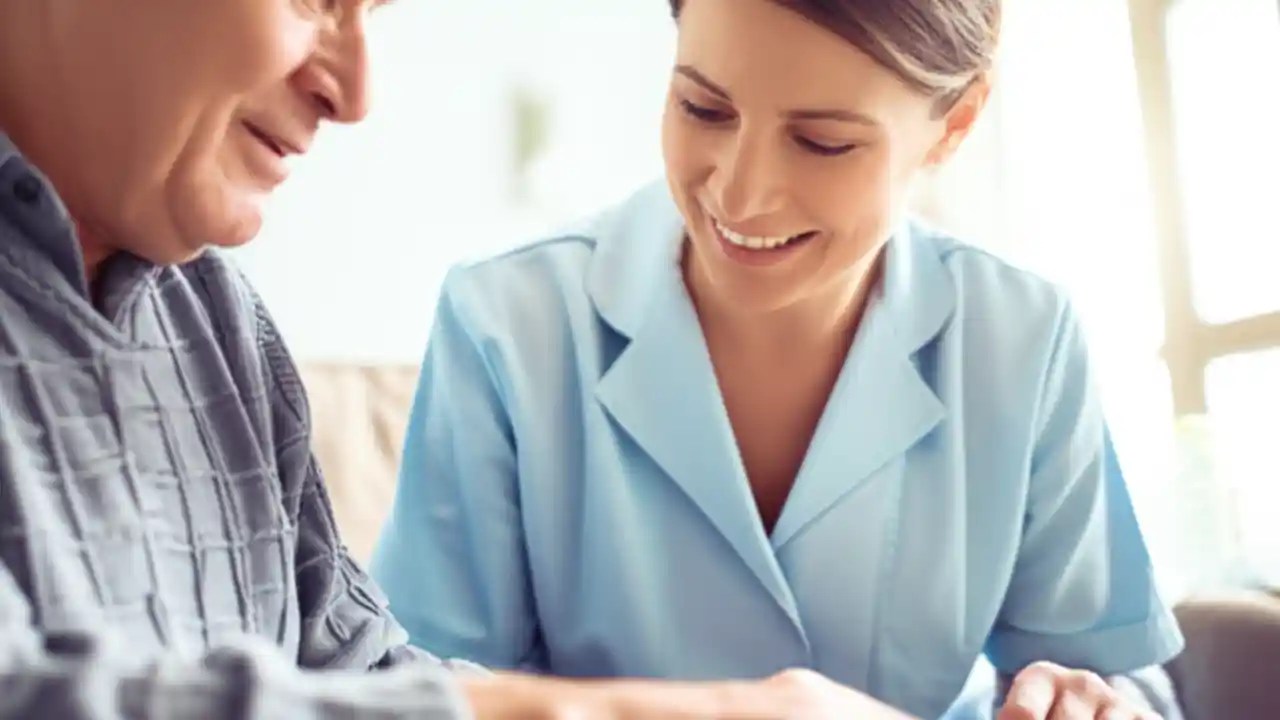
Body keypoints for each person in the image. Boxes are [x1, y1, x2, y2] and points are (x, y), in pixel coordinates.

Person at [0, 1, 915, 717]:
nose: (355, 93)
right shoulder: (508, 312)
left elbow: (363, 673)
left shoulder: (215, 319)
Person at [372, 0, 1186, 718]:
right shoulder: (507, 322)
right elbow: (424, 691)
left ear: (956, 126)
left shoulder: (1024, 337)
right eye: (702, 108)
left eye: (823, 143)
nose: (740, 194)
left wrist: (1090, 701)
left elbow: (1112, 670)